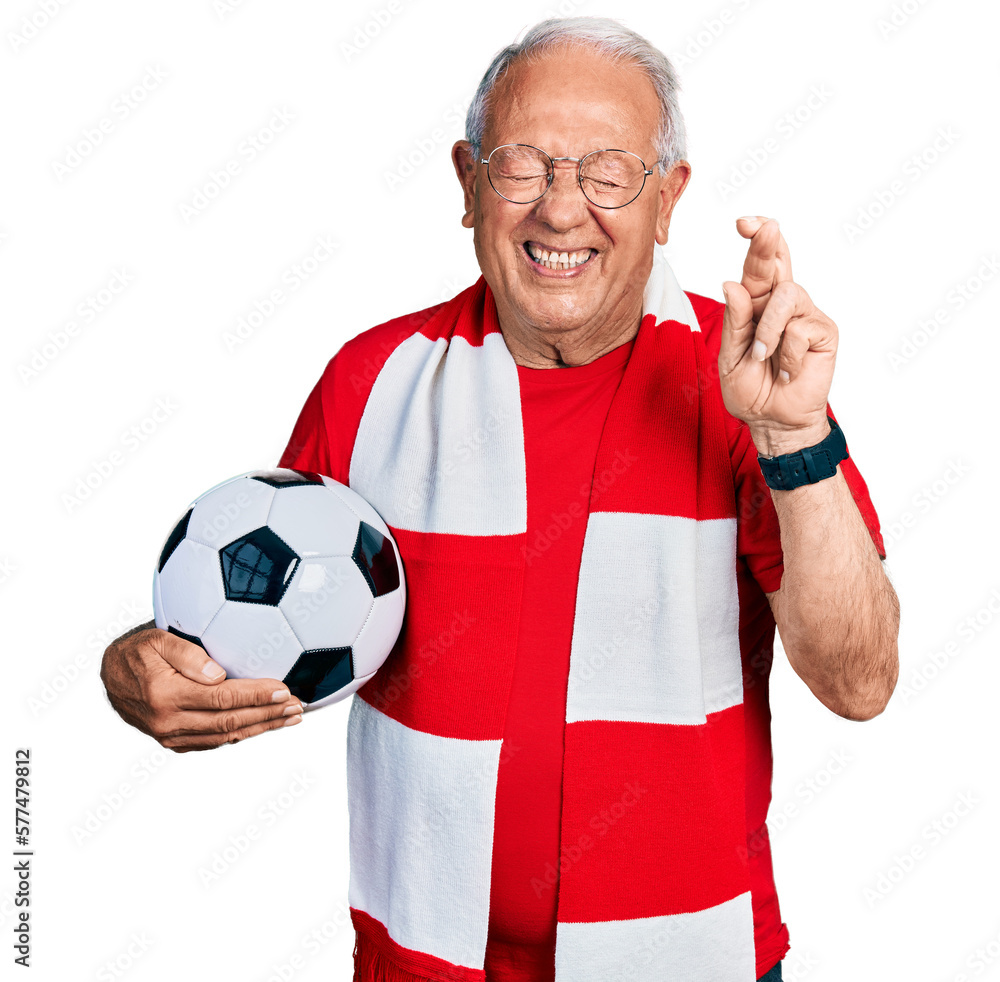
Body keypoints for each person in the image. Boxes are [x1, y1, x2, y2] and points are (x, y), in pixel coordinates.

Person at [100, 16, 899, 982]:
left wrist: (791, 438)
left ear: (668, 199)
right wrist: (133, 668)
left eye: (608, 172)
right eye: (523, 166)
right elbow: (252, 622)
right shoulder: (372, 381)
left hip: (693, 957)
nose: (562, 212)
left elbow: (860, 685)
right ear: (469, 183)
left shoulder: (748, 380)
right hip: (422, 962)